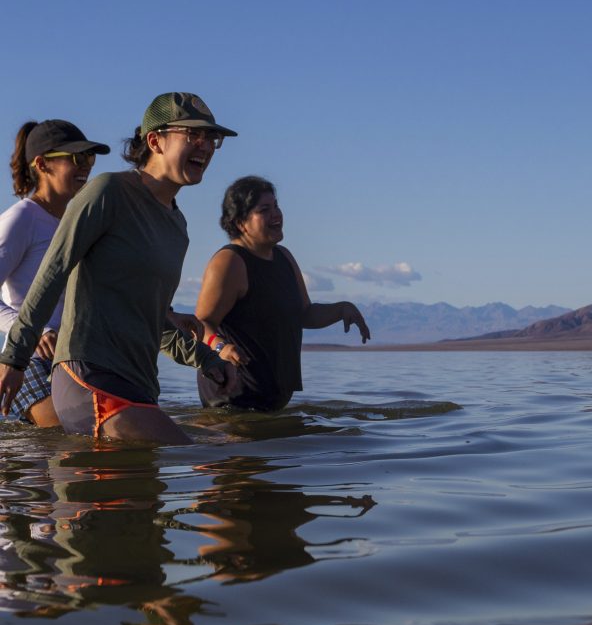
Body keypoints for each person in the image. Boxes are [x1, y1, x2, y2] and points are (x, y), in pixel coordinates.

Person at [0, 93, 238, 444]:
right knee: (215, 457)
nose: (205, 145)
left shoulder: (177, 226)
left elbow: (148, 314)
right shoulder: (107, 192)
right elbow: (53, 273)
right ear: (155, 140)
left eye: (211, 138)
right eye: (193, 135)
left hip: (139, 382)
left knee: (185, 468)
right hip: (90, 375)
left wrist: (206, 358)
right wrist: (15, 358)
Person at [195, 176, 370, 412]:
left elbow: (305, 314)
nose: (276, 214)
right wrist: (221, 347)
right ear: (240, 223)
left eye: (276, 206)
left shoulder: (284, 257)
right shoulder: (230, 262)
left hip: (271, 403)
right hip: (231, 402)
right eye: (264, 210)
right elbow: (200, 323)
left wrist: (342, 308)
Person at [0, 119, 110, 426]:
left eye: (89, 158)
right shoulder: (21, 219)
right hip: (29, 362)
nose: (85, 167)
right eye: (76, 158)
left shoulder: (80, 222)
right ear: (41, 164)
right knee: (75, 439)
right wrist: (37, 333)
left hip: (76, 359)